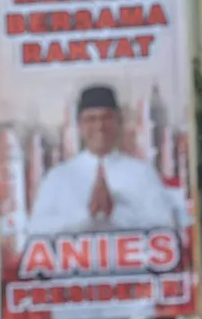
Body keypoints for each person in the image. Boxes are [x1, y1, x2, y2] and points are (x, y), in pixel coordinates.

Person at [25, 85, 185, 235]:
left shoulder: (142, 174)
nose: (100, 125)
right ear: (80, 126)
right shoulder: (59, 177)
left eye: (106, 117)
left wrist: (116, 214)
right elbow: (37, 229)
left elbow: (166, 225)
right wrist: (86, 215)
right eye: (91, 119)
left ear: (119, 122)